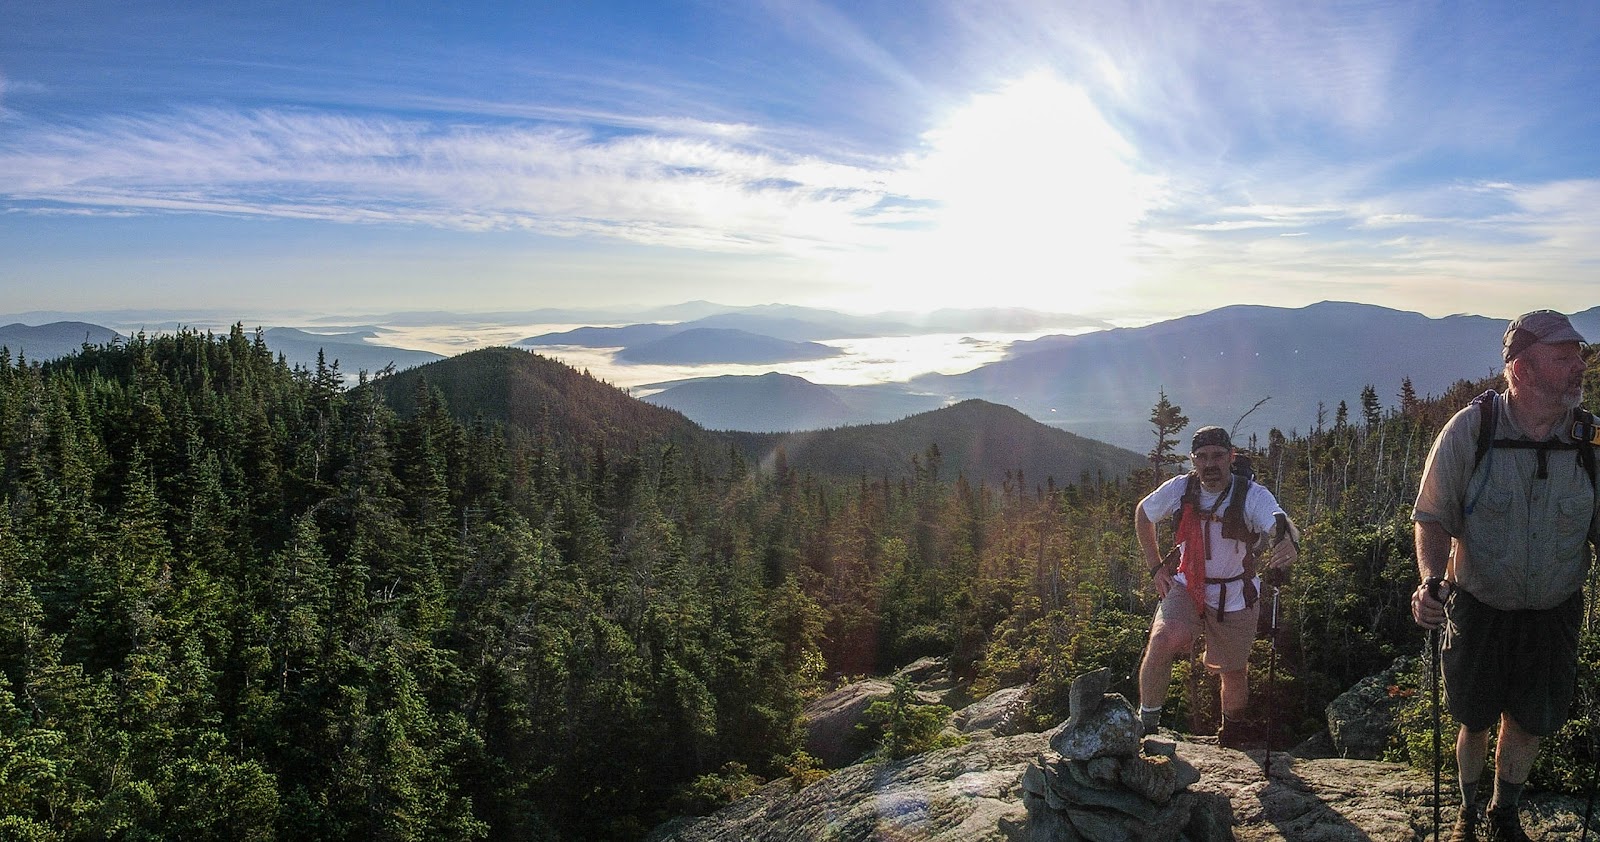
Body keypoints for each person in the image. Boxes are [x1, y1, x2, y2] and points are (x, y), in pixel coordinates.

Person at [1412, 309, 1597, 842]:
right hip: (1477, 604)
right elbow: (1432, 515)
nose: (1579, 365)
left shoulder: (1590, 440)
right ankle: (1468, 811)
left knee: (1530, 719)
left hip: (1554, 608)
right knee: (1474, 716)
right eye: (1563, 357)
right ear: (1521, 368)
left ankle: (1503, 813)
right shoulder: (1472, 431)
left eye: (1578, 354)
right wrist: (1429, 580)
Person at [1135, 425, 1298, 747]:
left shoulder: (1251, 494)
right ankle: (1146, 727)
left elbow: (1278, 521)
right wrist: (1156, 568)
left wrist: (1288, 541)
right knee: (1164, 638)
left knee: (1233, 671)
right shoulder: (1180, 488)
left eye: (1218, 456)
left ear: (1231, 457)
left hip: (1236, 593)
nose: (1211, 464)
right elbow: (1143, 513)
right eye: (1202, 457)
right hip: (1186, 584)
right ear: (1193, 460)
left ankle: (1231, 735)